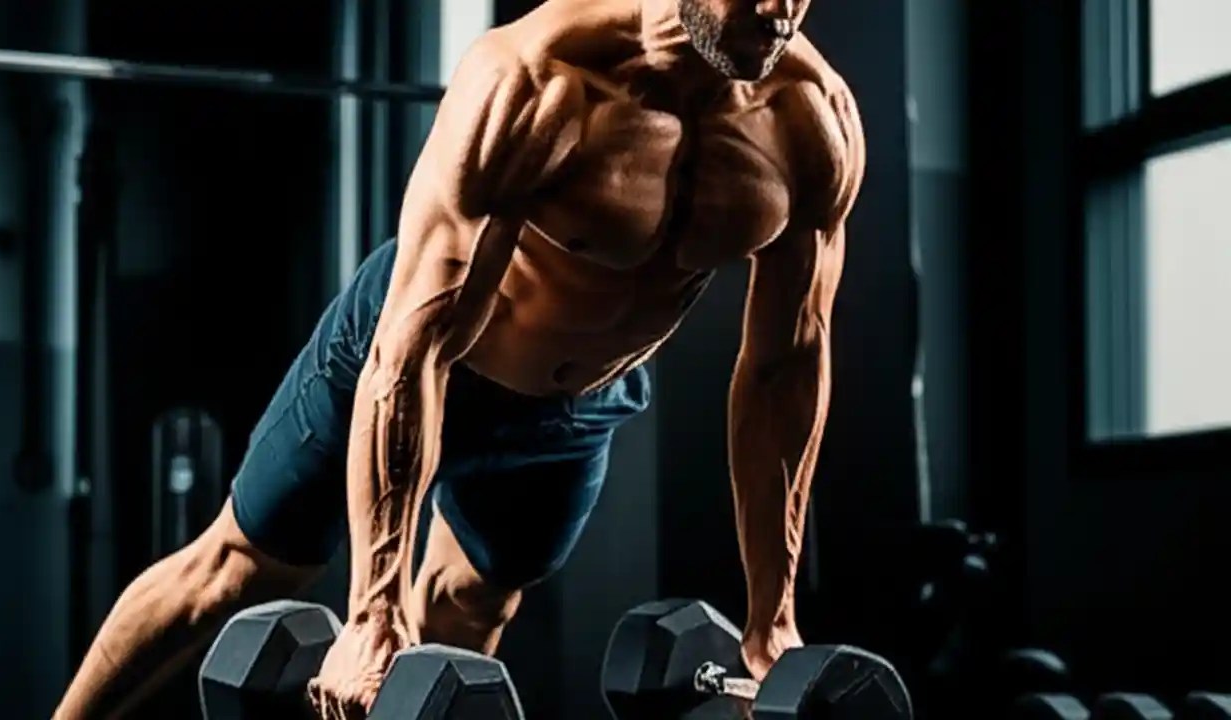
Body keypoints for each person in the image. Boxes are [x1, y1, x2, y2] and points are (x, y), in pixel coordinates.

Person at [53, 0, 864, 716]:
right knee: (236, 571)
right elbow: (412, 351)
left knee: (465, 616)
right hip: (422, 353)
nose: (780, 10)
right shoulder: (533, 80)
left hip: (578, 408)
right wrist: (372, 609)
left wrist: (773, 617)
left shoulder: (810, 119)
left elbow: (783, 368)